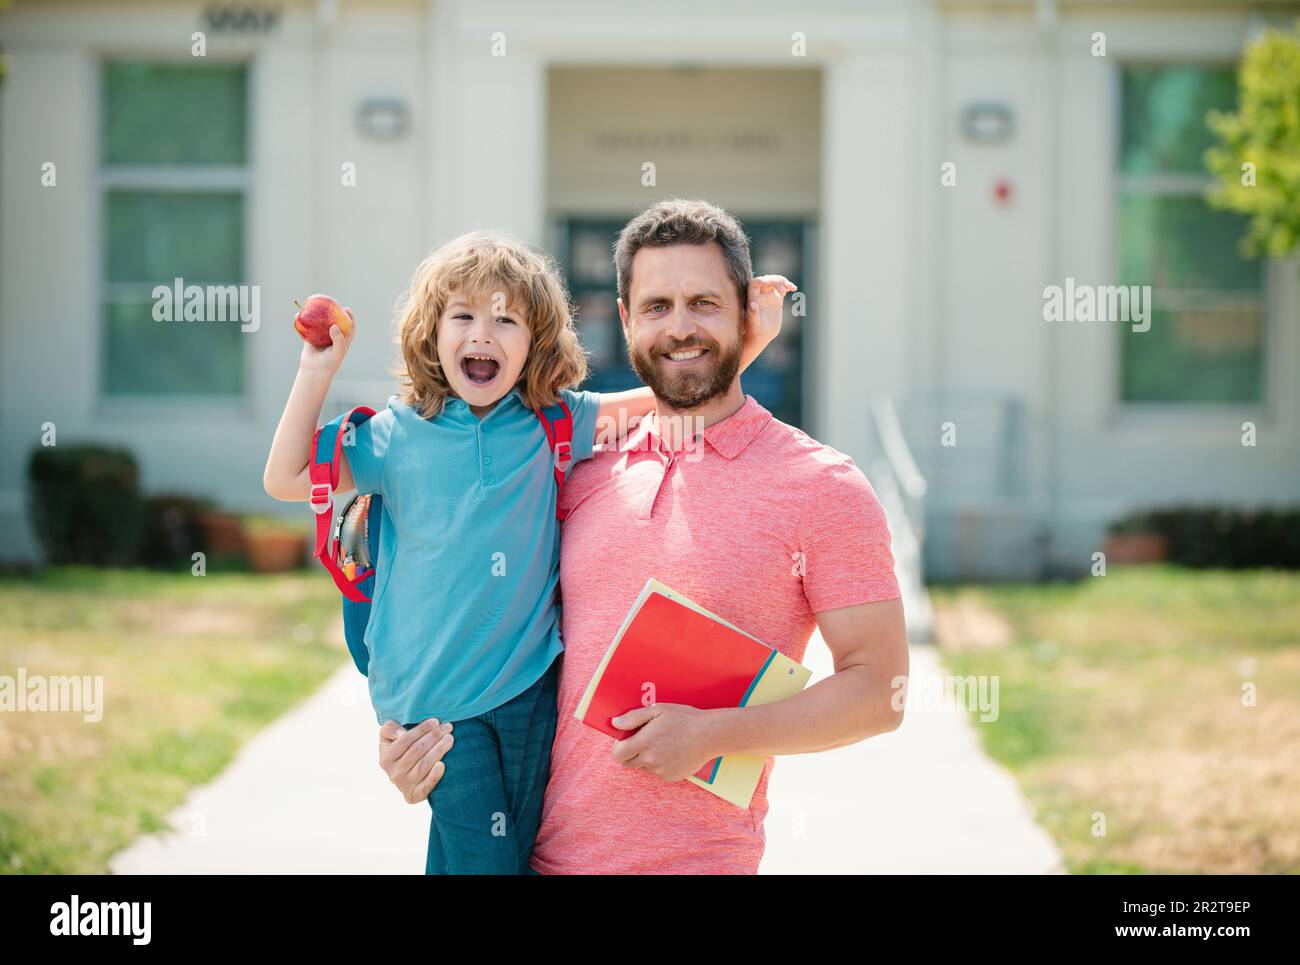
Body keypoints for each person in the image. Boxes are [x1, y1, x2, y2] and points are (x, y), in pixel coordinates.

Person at [379, 200, 909, 874]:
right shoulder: (572, 466)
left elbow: (880, 690)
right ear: (626, 320)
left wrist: (716, 734)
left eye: (704, 303)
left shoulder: (821, 487)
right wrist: (417, 741)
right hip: (531, 857)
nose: (680, 327)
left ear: (746, 315)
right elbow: (459, 605)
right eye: (657, 306)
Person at [263, 229, 787, 873]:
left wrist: (748, 344)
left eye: (506, 318)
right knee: (486, 860)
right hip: (436, 708)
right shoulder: (396, 435)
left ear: (535, 344)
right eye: (463, 315)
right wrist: (317, 369)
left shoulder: (554, 421)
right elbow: (285, 477)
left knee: (498, 854)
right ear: (431, 333)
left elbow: (669, 399)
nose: (483, 333)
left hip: (528, 691)